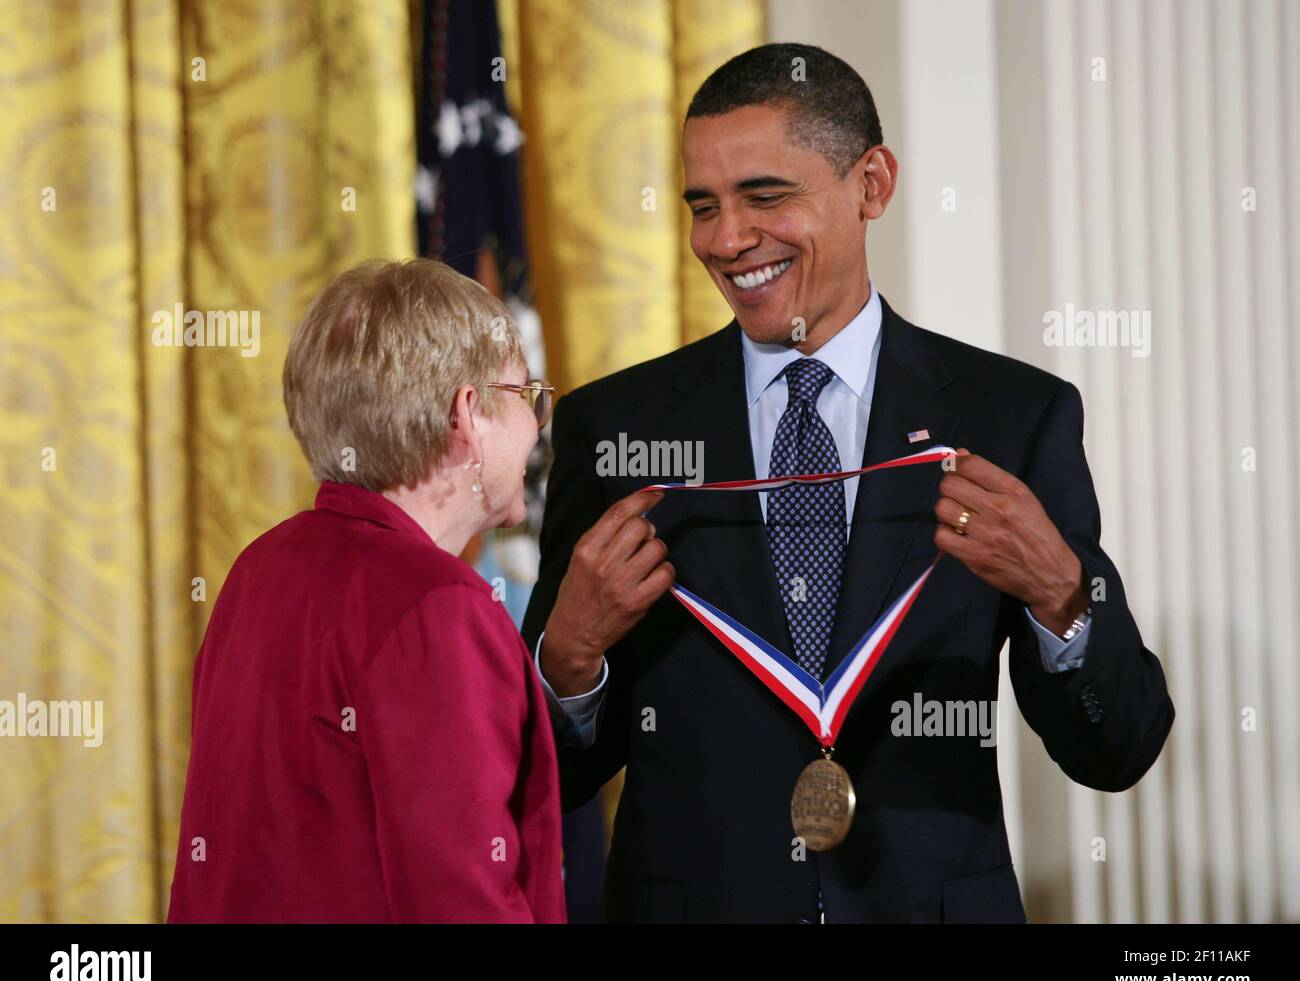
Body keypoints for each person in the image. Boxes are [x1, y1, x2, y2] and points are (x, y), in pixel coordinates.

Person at [521, 43, 1174, 923]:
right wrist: (568, 658)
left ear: (872, 185)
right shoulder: (617, 431)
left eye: (764, 196)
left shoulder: (1011, 417)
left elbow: (1118, 747)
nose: (725, 240)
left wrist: (1064, 599)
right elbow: (539, 781)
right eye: (703, 206)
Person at [168, 258, 564, 922]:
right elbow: (461, 903)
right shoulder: (439, 608)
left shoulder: (260, 569)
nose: (537, 427)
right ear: (468, 414)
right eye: (526, 397)